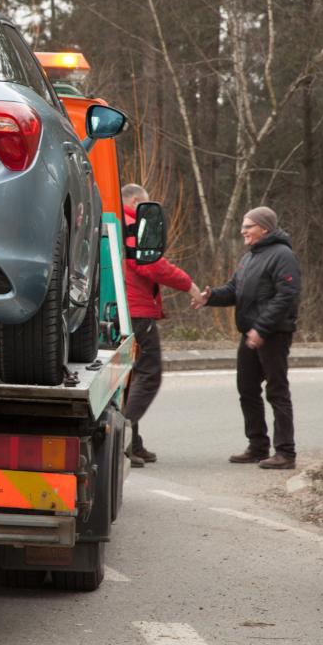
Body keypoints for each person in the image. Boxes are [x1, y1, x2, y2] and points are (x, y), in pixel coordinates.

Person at [192, 206, 301, 469]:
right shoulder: (250, 257)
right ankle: (258, 446)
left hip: (272, 335)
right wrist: (210, 298)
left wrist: (262, 329)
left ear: (264, 228)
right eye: (243, 226)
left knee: (277, 391)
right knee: (247, 389)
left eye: (248, 226)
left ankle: (285, 453)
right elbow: (234, 289)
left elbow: (287, 295)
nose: (243, 231)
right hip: (250, 335)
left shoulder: (283, 255)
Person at [120, 184, 201, 468]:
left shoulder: (113, 222)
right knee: (149, 374)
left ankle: (134, 443)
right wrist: (189, 285)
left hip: (118, 310)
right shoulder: (132, 224)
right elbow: (152, 265)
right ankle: (124, 437)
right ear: (134, 201)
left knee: (128, 379)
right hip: (137, 312)